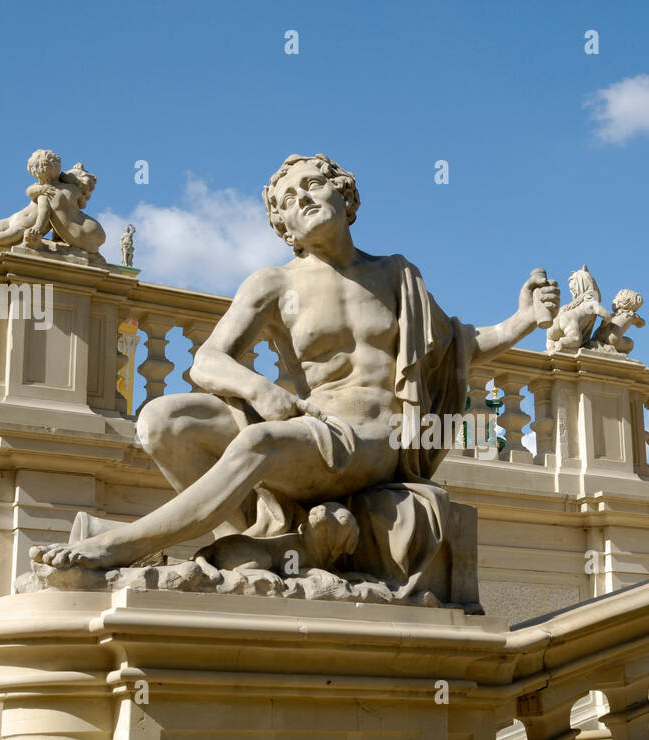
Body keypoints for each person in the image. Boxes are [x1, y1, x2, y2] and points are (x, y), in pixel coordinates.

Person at [31, 153, 559, 587]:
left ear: (345, 198)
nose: (301, 199)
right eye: (287, 200)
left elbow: (458, 345)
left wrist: (524, 319)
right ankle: (265, 540)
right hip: (311, 426)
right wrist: (258, 389)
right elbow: (206, 361)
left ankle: (118, 546)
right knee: (162, 420)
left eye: (312, 185)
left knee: (260, 446)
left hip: (376, 438)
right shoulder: (272, 284)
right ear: (283, 225)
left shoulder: (397, 276)